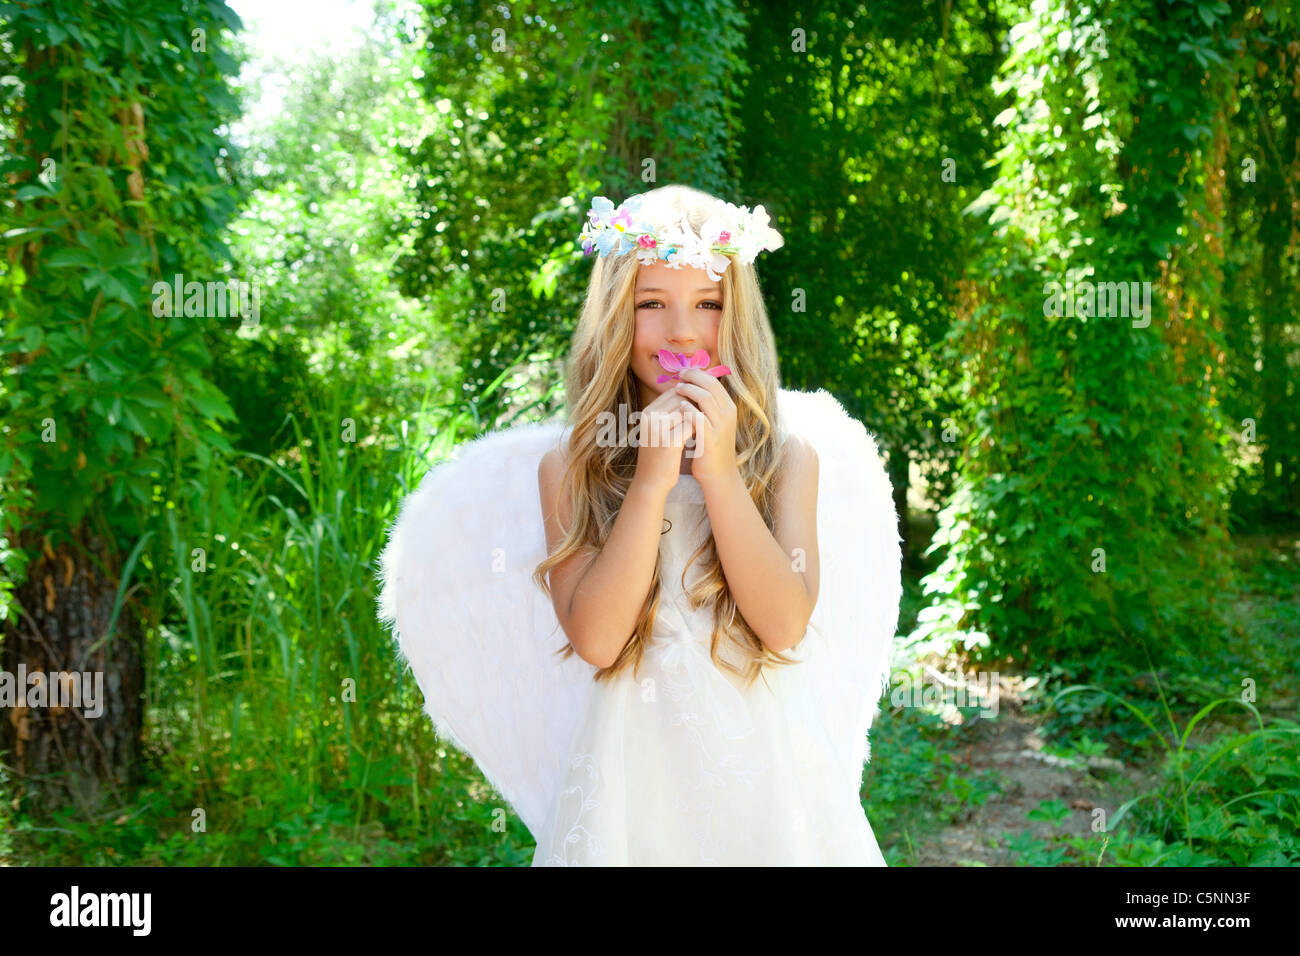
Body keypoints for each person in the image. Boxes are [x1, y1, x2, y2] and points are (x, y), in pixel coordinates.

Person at [377, 183, 902, 866]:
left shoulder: (785, 458)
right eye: (651, 304)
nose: (681, 330)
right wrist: (652, 479)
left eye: (708, 305)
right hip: (634, 784)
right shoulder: (572, 469)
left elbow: (783, 625)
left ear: (737, 317)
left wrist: (717, 474)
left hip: (769, 779)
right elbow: (597, 639)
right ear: (614, 316)